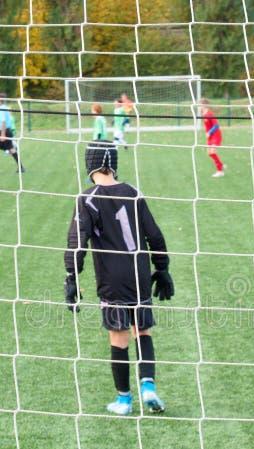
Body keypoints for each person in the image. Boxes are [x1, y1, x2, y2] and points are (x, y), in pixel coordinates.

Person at [64, 142, 174, 416]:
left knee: (119, 336)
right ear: (114, 164)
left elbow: (77, 242)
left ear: (89, 165)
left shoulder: (87, 198)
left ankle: (124, 400)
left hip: (111, 280)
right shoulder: (133, 192)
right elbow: (154, 234)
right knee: (142, 331)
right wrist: (162, 268)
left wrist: (71, 276)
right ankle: (148, 386)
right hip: (139, 274)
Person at [0, 92, 23, 174]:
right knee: (11, 150)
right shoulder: (3, 107)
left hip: (3, 132)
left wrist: (2, 135)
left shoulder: (2, 109)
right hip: (5, 132)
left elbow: (3, 122)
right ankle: (21, 168)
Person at [199, 98, 225, 178]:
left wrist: (209, 132)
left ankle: (220, 171)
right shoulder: (203, 114)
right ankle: (221, 165)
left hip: (215, 135)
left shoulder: (209, 114)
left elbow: (216, 125)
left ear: (204, 105)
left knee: (212, 152)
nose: (199, 106)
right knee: (209, 153)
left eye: (200, 105)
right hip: (210, 136)